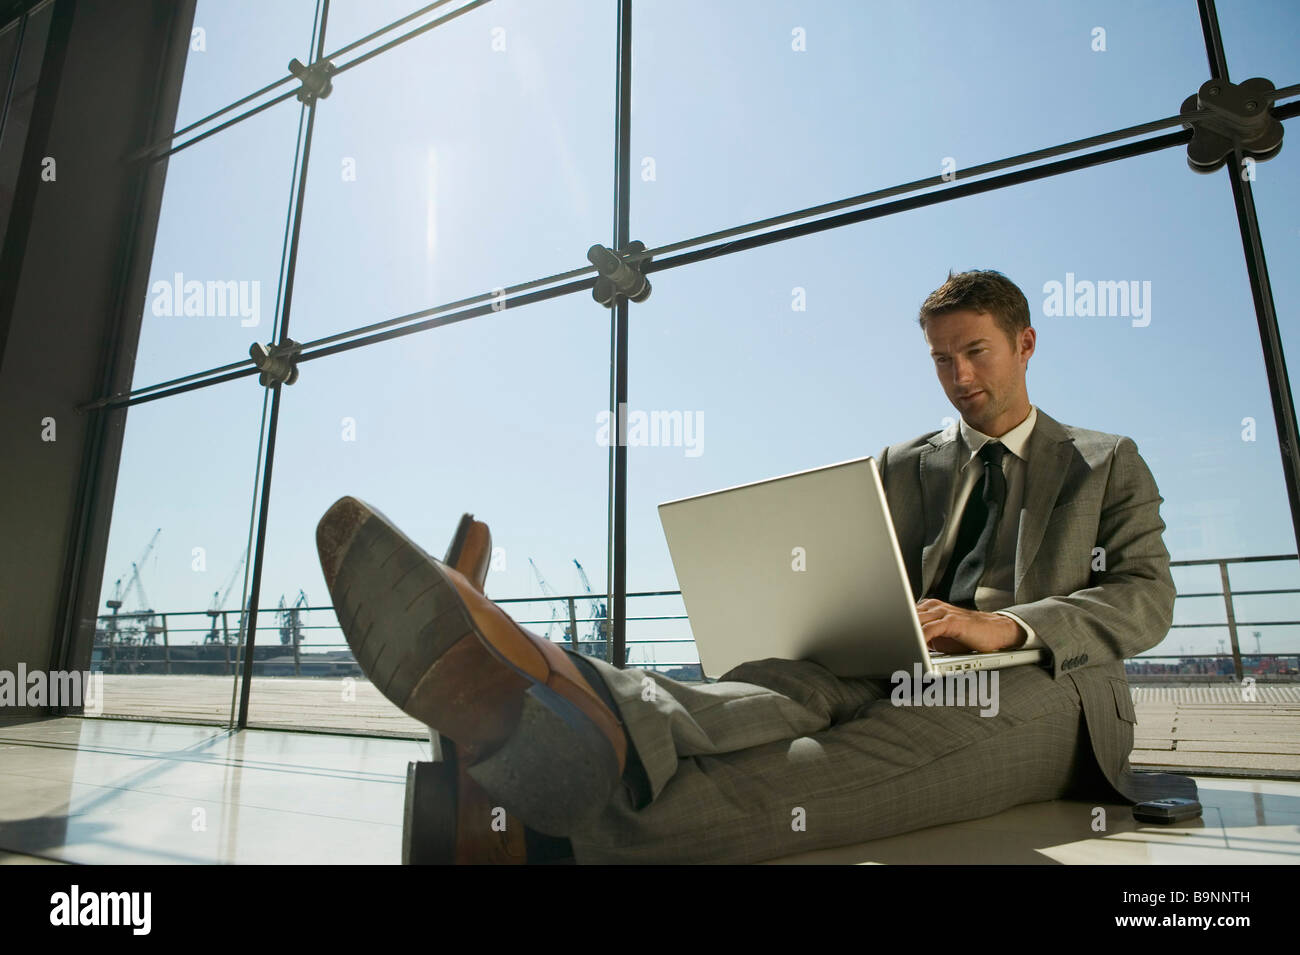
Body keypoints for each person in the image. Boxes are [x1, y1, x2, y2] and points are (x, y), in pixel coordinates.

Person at [316, 268, 1196, 865]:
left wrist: (1005, 626)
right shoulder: (905, 463)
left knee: (849, 761)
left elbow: (1146, 597)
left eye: (977, 353)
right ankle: (548, 680)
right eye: (941, 358)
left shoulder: (1102, 459)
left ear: (1026, 344)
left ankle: (539, 818)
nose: (959, 377)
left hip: (1044, 686)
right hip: (899, 656)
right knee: (776, 685)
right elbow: (856, 574)